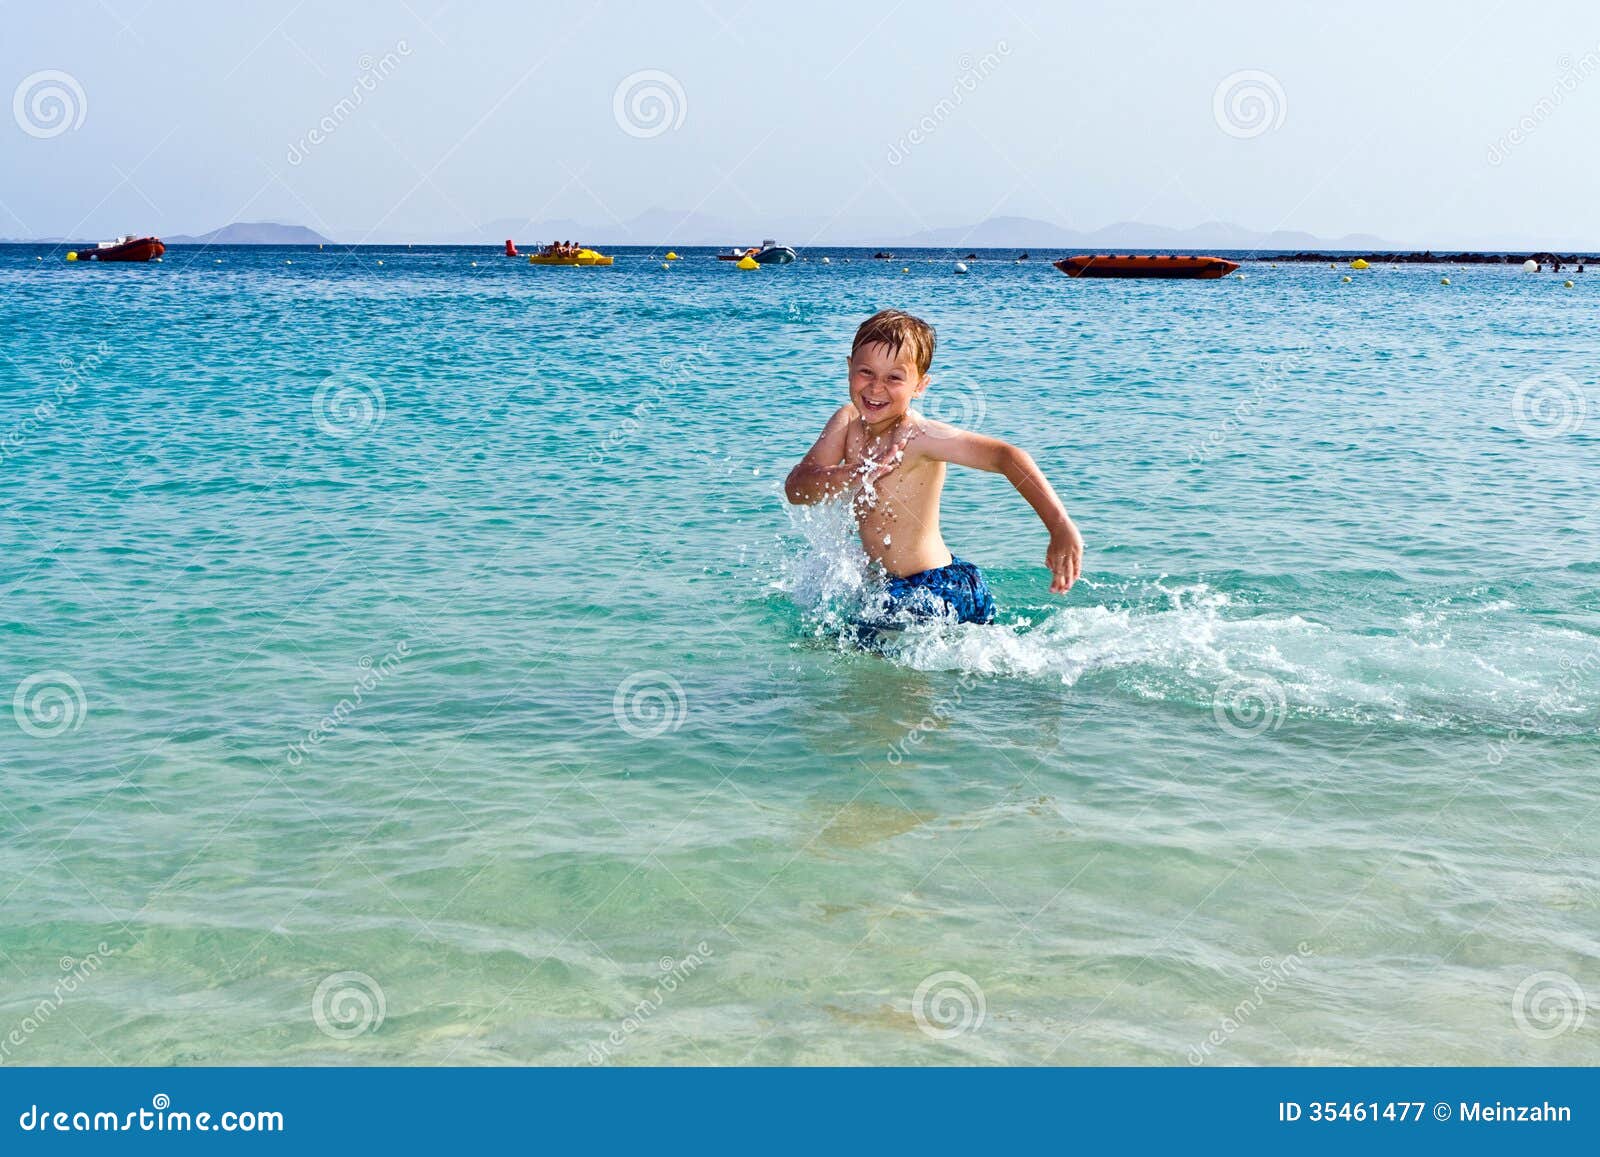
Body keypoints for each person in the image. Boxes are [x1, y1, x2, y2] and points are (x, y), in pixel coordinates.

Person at [784, 309, 1083, 626]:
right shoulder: (846, 422)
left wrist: (1060, 526)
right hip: (897, 589)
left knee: (846, 649)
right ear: (849, 368)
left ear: (920, 385)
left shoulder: (919, 436)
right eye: (866, 372)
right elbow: (797, 489)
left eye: (894, 378)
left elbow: (1006, 457)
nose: (876, 387)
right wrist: (854, 473)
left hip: (936, 589)